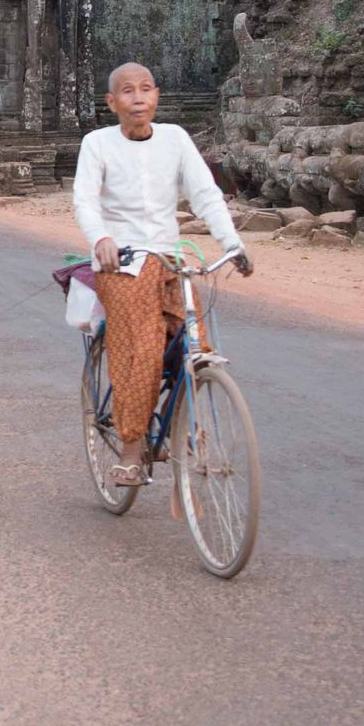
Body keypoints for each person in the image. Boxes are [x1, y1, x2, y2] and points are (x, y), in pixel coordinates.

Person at [72, 62, 253, 487]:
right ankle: (133, 448)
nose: (138, 98)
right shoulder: (97, 143)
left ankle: (191, 422)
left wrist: (232, 244)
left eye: (146, 89)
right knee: (144, 348)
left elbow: (205, 194)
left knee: (193, 343)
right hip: (122, 264)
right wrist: (100, 238)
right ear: (112, 102)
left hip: (169, 260)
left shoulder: (175, 139)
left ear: (157, 96)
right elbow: (85, 200)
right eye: (128, 91)